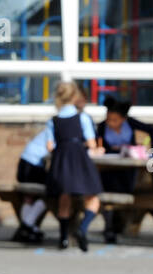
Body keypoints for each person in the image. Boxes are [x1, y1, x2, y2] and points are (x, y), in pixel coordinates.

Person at [45, 81, 104, 251]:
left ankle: (63, 239)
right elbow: (91, 143)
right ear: (75, 96)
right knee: (93, 197)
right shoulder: (82, 117)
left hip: (61, 160)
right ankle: (82, 228)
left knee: (64, 198)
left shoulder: (53, 120)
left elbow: (50, 146)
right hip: (79, 159)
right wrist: (96, 148)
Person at [96, 97, 153, 244]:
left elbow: (152, 130)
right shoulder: (101, 127)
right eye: (108, 119)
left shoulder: (130, 123)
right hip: (109, 169)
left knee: (144, 188)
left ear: (123, 119)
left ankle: (120, 224)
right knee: (108, 192)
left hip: (128, 170)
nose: (110, 123)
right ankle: (109, 228)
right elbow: (98, 146)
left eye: (114, 120)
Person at [14, 127, 51, 243]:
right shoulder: (58, 128)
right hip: (32, 163)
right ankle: (27, 226)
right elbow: (51, 148)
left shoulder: (55, 125)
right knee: (48, 194)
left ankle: (27, 228)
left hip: (29, 161)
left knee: (31, 197)